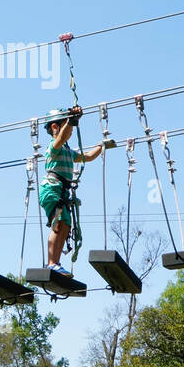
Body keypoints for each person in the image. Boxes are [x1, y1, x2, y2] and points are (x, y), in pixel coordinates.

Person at [39, 107, 105, 275]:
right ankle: (51, 263)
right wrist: (73, 121)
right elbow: (62, 137)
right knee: (58, 223)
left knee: (66, 226)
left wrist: (102, 146)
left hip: (61, 192)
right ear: (55, 127)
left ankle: (56, 262)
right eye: (64, 124)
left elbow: (88, 157)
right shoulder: (54, 147)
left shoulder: (68, 151)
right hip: (52, 189)